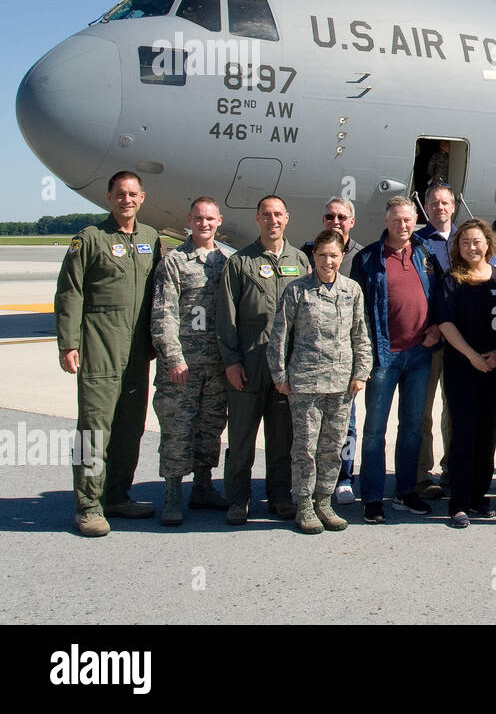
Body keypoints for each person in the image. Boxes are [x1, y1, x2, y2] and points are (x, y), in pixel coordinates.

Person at [56, 170, 162, 537]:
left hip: (137, 351)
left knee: (130, 427)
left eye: (133, 194)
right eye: (120, 194)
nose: (127, 200)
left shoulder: (151, 239)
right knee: (94, 428)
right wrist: (69, 343)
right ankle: (88, 505)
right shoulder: (89, 239)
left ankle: (117, 495)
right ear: (109, 197)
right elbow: (70, 293)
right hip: (100, 345)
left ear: (143, 198)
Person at [268, 231, 372, 534]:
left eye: (334, 255)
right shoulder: (297, 291)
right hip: (305, 383)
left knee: (331, 447)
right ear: (314, 257)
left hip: (341, 385)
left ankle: (324, 501)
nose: (328, 261)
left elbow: (360, 335)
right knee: (305, 448)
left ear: (341, 257)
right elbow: (280, 336)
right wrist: (279, 375)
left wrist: (360, 373)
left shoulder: (351, 290)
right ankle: (303, 504)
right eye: (322, 255)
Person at [216, 195, 311, 525]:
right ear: (257, 218)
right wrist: (231, 361)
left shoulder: (300, 261)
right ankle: (238, 498)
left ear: (287, 218)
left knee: (282, 436)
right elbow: (226, 318)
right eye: (266, 215)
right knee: (241, 437)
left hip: (284, 365)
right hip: (249, 361)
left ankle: (280, 496)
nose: (273, 220)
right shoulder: (240, 263)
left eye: (278, 215)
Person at [351, 196, 440, 524]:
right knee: (375, 429)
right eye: (396, 220)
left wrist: (437, 331)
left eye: (408, 220)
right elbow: (357, 310)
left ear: (414, 221)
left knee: (413, 428)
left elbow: (439, 296)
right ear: (386, 221)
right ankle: (372, 498)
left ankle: (405, 492)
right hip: (383, 355)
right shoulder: (368, 258)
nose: (403, 226)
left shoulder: (425, 254)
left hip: (419, 354)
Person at [150, 196, 230, 526]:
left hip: (216, 364)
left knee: (210, 428)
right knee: (177, 429)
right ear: (190, 220)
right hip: (183, 367)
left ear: (219, 221)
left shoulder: (227, 260)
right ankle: (172, 494)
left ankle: (203, 486)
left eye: (210, 219)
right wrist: (173, 359)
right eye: (198, 218)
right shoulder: (175, 262)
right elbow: (163, 313)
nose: (204, 224)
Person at [432, 219, 496, 528]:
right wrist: (473, 356)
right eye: (465, 243)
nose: (472, 247)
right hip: (463, 367)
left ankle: (479, 495)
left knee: (488, 432)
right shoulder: (452, 280)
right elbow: (445, 323)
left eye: (477, 241)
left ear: (488, 244)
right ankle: (459, 502)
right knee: (464, 432)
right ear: (457, 248)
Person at [301, 197, 364, 506]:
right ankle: (308, 483)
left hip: (344, 359)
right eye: (330, 216)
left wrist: (362, 365)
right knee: (310, 427)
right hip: (310, 358)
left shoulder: (363, 257)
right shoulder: (306, 253)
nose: (335, 221)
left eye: (342, 216)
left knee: (346, 424)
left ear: (352, 221)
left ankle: (344, 477)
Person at [416, 183, 456, 497]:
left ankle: (452, 467)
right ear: (425, 208)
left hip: (459, 339)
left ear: (454, 206)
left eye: (445, 202)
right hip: (427, 340)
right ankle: (421, 474)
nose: (439, 207)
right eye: (434, 202)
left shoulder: (467, 240)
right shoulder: (416, 242)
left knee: (454, 408)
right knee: (422, 410)